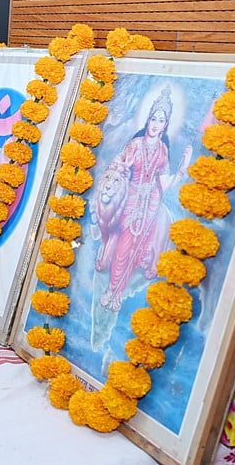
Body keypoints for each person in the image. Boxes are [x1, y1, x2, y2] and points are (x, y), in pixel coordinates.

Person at [95, 86, 191, 311]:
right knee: (123, 247)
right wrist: (123, 168)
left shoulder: (163, 151)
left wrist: (182, 167)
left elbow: (164, 184)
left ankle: (118, 294)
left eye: (161, 120)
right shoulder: (135, 145)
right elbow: (115, 167)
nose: (156, 124)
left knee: (137, 250)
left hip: (151, 205)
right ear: (148, 120)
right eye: (153, 119)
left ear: (166, 125)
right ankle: (110, 289)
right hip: (130, 199)